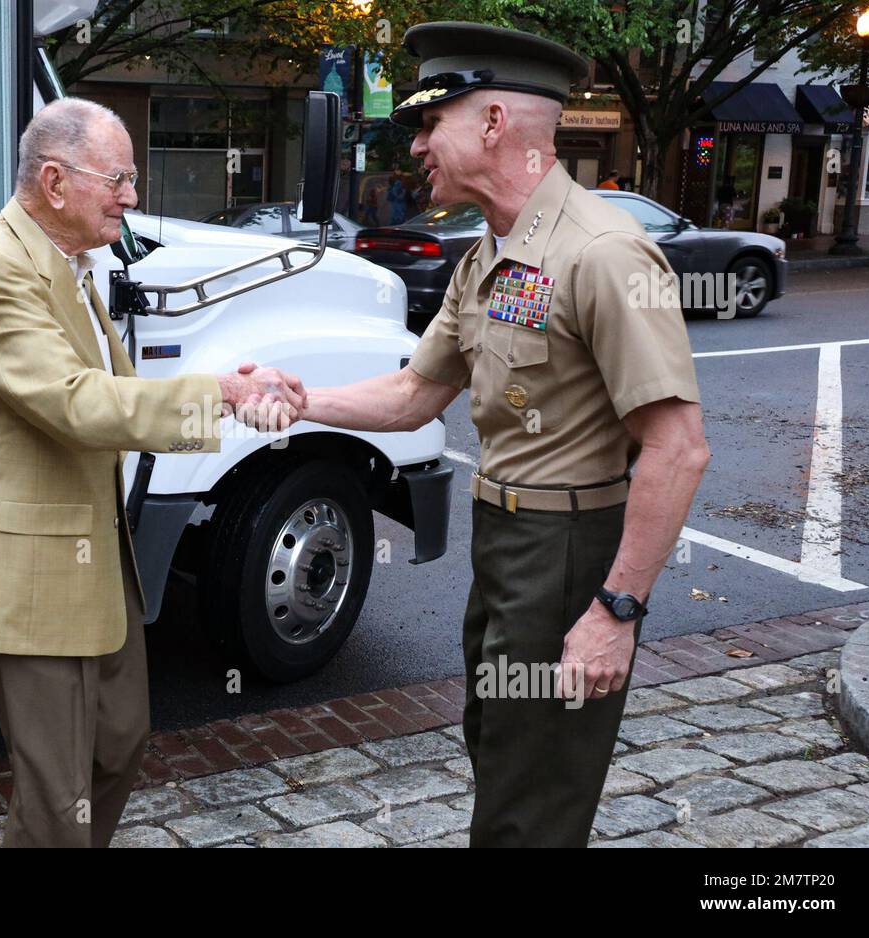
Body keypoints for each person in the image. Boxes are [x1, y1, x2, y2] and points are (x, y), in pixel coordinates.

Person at [297, 22, 710, 847]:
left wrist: (615, 610)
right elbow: (416, 394)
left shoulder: (605, 253)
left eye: (429, 122)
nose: (416, 145)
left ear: (491, 124)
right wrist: (296, 398)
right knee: (500, 749)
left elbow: (679, 447)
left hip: (570, 550)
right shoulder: (489, 253)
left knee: (534, 795)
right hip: (507, 546)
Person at [0, 98, 303, 848]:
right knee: (56, 798)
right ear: (54, 181)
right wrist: (223, 398)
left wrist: (226, 396)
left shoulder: (71, 262)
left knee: (121, 742)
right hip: (32, 575)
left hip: (95, 563)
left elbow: (115, 388)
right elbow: (76, 404)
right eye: (121, 179)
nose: (134, 197)